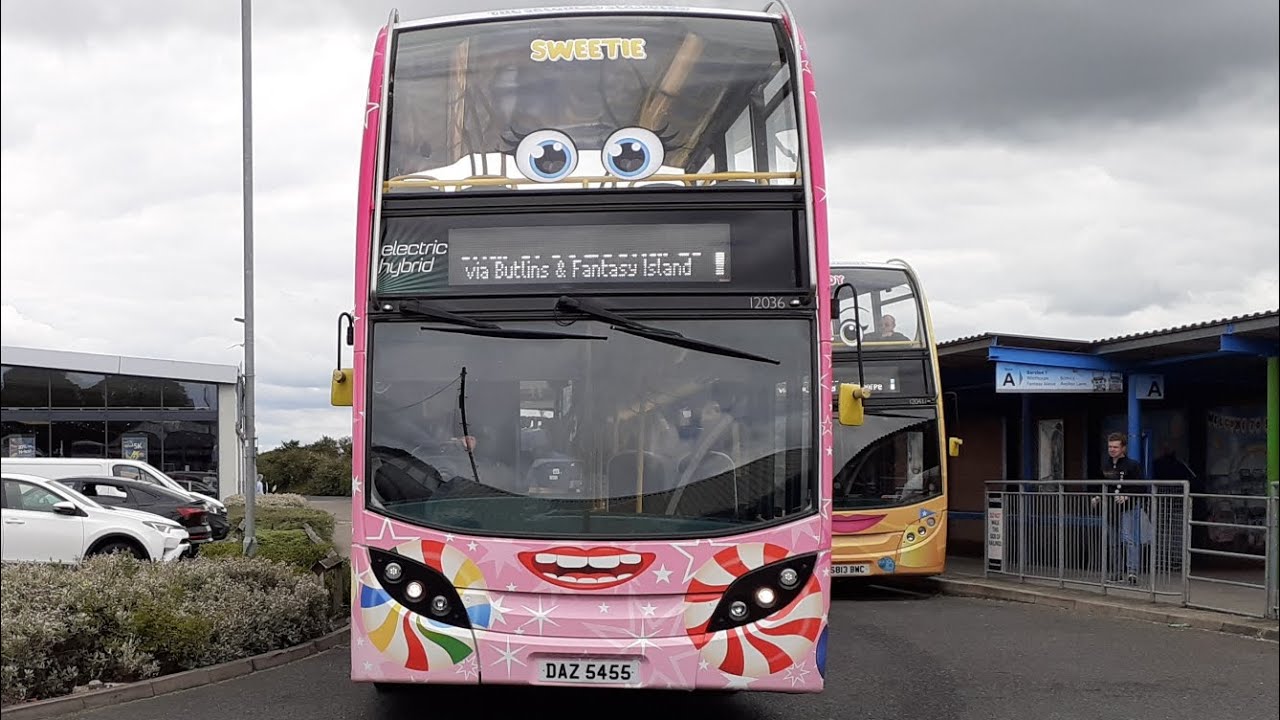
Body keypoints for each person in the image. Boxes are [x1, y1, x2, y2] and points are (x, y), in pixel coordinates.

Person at [1091, 433, 1148, 583]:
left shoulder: (1133, 465)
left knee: (1129, 540)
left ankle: (1132, 573)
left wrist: (1127, 495)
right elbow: (1102, 485)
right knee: (1114, 542)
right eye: (1110, 447)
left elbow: (1142, 487)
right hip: (1111, 509)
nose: (1112, 449)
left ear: (1123, 448)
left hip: (1129, 509)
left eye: (1115, 447)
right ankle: (1116, 573)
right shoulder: (1105, 465)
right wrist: (1098, 496)